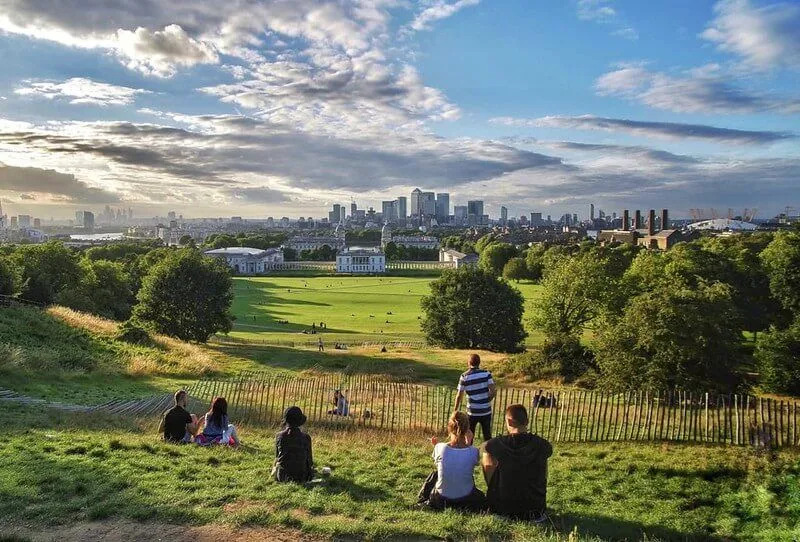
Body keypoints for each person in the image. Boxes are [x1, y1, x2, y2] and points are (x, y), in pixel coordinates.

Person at [481, 404, 552, 521]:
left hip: (502, 510)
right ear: (527, 421)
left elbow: (488, 464)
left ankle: (496, 494)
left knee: (486, 455)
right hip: (535, 511)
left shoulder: (493, 445)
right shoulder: (542, 445)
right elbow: (544, 474)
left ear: (509, 421)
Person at [417, 411, 485, 511]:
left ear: (449, 428)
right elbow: (467, 460)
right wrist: (469, 442)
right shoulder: (474, 451)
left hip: (440, 499)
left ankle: (423, 499)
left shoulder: (439, 447)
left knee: (435, 474)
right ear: (467, 429)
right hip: (466, 500)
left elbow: (444, 466)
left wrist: (435, 446)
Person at [454, 354, 496, 442]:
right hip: (486, 410)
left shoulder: (464, 376)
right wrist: (488, 400)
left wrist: (455, 410)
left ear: (469, 363)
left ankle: (469, 452)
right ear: (479, 363)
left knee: (469, 435)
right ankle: (488, 454)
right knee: (487, 435)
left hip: (472, 411)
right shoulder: (486, 374)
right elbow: (493, 391)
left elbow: (459, 395)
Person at [273, 406, 314, 483]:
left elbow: (277, 457)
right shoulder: (306, 437)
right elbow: (310, 461)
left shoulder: (279, 436)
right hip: (302, 477)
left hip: (282, 476)